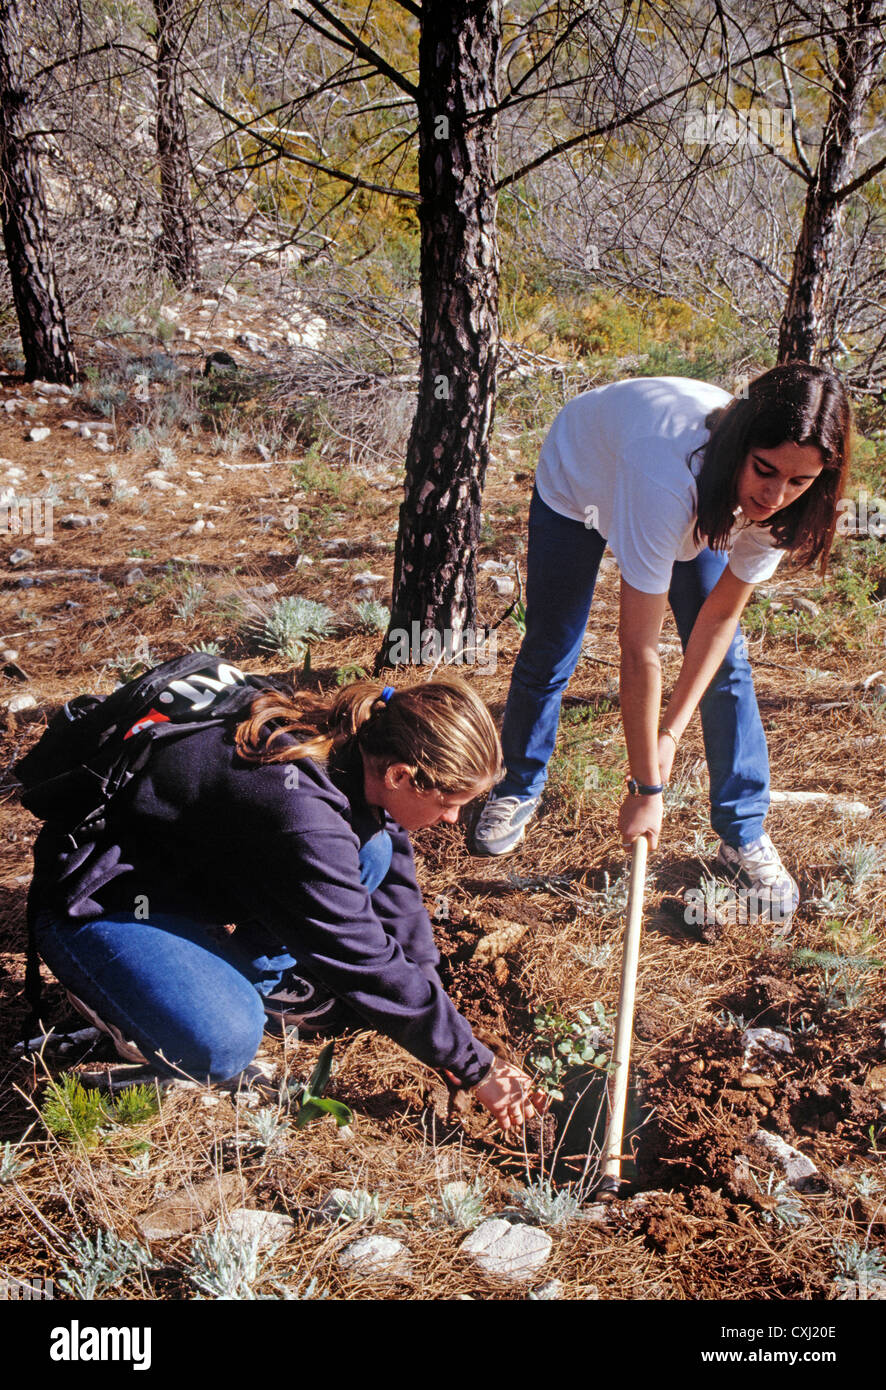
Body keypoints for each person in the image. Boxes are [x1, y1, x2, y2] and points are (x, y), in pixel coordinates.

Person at [29, 675, 546, 1132]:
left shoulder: (354, 746)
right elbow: (364, 960)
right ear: (401, 776)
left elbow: (396, 891)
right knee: (223, 1043)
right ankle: (123, 1008)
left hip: (179, 880)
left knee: (375, 851)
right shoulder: (300, 812)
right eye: (450, 804)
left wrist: (440, 1009)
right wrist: (474, 1066)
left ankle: (236, 974)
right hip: (101, 903)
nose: (455, 820)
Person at [472, 363, 852, 920]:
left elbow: (718, 622)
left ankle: (741, 829)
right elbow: (638, 650)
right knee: (554, 643)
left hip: (697, 496)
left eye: (799, 481)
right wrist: (647, 788)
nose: (775, 495)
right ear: (739, 445)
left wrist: (670, 732)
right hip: (583, 482)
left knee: (730, 665)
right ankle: (519, 782)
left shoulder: (781, 503)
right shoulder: (665, 478)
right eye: (765, 470)